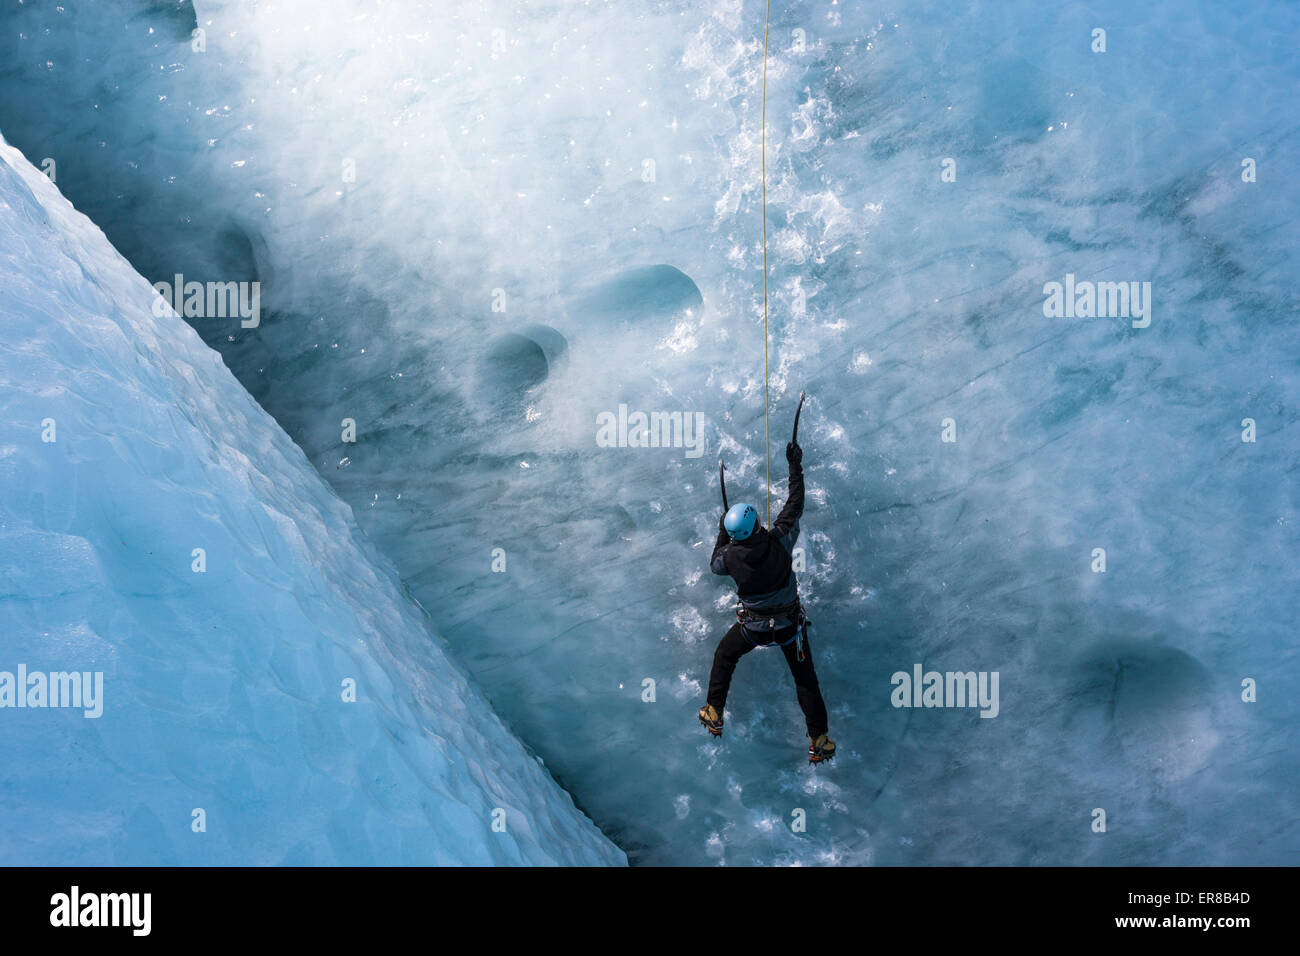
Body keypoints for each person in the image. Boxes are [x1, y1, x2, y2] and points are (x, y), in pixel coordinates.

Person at [698, 438, 835, 763]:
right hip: (789, 627)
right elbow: (795, 504)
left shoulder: (729, 557)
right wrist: (794, 465)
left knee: (725, 657)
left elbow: (715, 561)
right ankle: (819, 739)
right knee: (805, 680)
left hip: (753, 630)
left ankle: (715, 710)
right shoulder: (779, 541)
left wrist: (723, 531)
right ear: (757, 523)